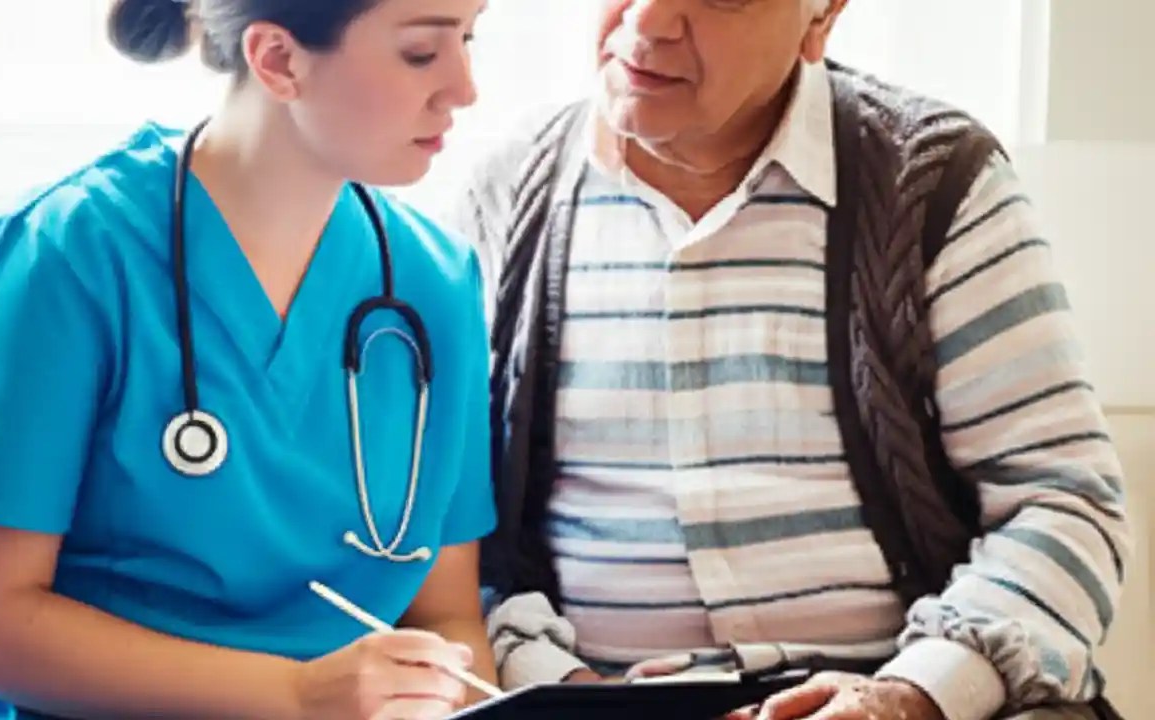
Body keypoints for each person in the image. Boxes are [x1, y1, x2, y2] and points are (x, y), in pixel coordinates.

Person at [450, 1, 1132, 719]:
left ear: (822, 15)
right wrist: (554, 688)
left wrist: (912, 695)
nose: (646, 21)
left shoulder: (935, 183)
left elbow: (1062, 504)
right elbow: (447, 548)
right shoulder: (505, 194)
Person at [0, 0, 495, 718]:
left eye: (469, 39)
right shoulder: (61, 257)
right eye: (421, 53)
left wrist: (435, 698)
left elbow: (444, 619)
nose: (465, 88)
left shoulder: (435, 283)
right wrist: (299, 696)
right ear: (278, 60)